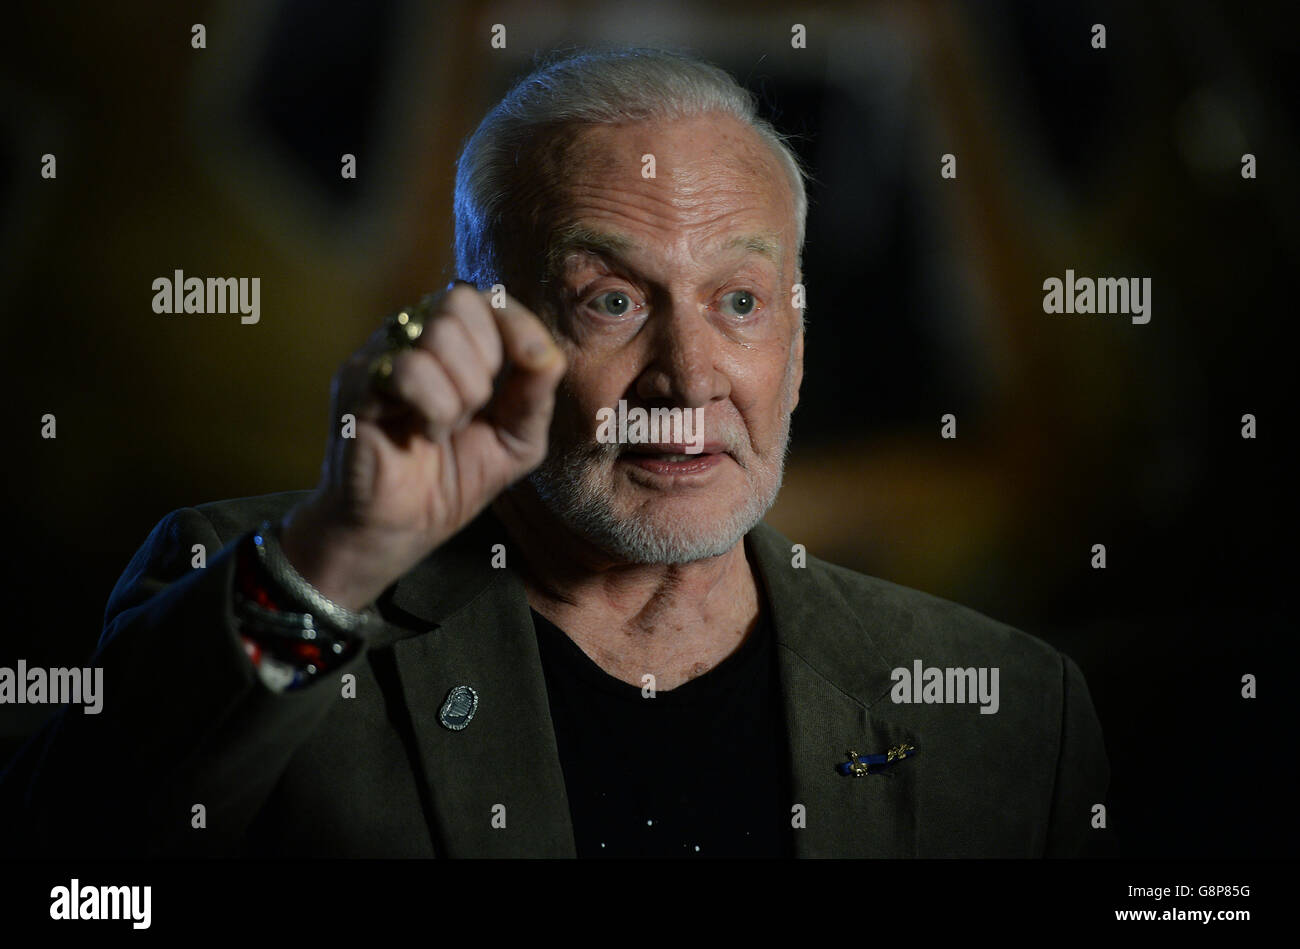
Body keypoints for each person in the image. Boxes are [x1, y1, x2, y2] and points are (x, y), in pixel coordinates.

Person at [1, 46, 1112, 858]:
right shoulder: (261, 579)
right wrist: (334, 561)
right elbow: (67, 871)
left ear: (797, 341)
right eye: (612, 299)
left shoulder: (1014, 711)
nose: (687, 374)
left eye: (737, 299)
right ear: (486, 334)